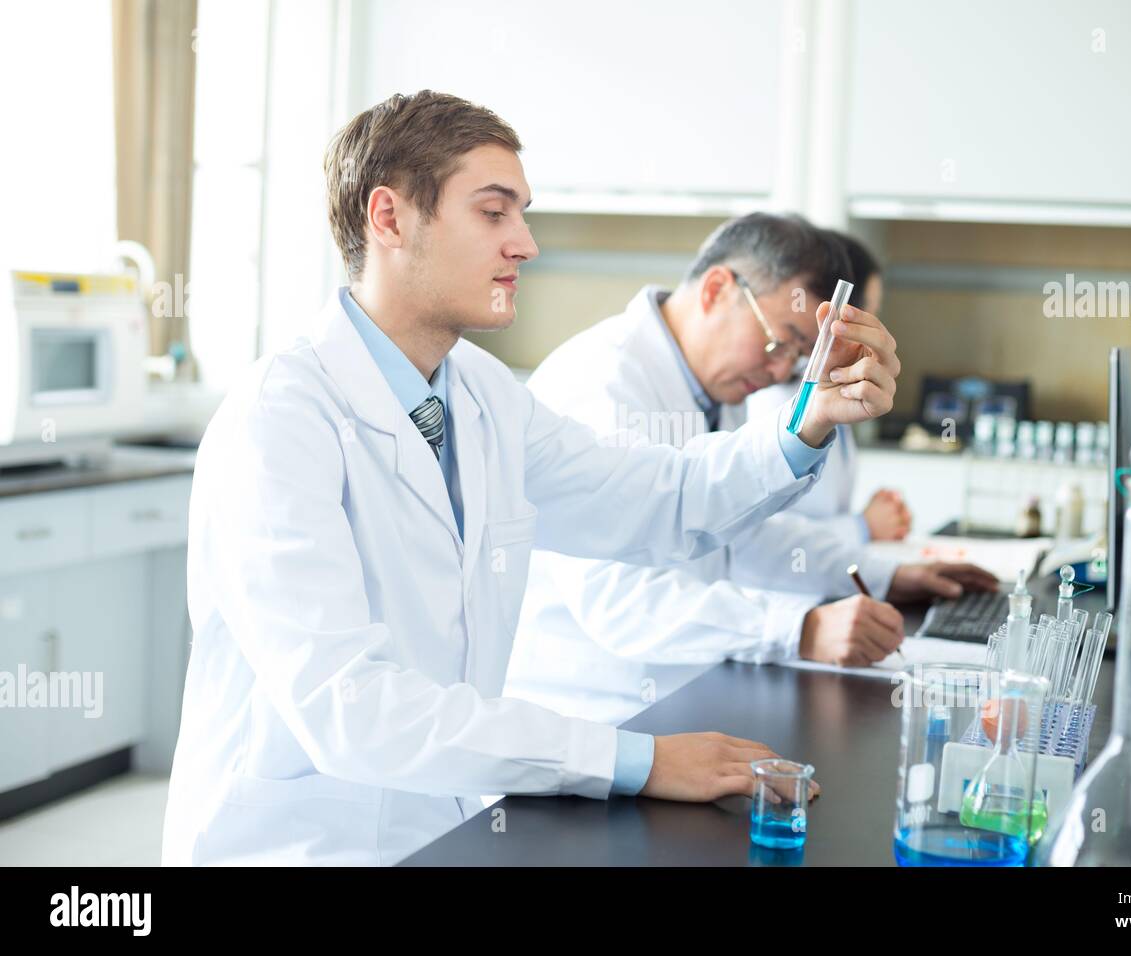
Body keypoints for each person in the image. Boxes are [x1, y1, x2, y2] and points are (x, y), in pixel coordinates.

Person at [160, 93, 900, 865]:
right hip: (299, 843)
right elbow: (353, 708)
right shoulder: (281, 419)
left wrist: (803, 427)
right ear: (389, 218)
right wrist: (637, 761)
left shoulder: (483, 395)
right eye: (494, 212)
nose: (526, 244)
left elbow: (650, 499)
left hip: (442, 822)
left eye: (524, 213)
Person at [504, 214, 997, 726]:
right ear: (718, 288)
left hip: (675, 696)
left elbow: (739, 533)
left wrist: (882, 574)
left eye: (800, 355)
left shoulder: (713, 383)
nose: (781, 371)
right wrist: (799, 629)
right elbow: (623, 601)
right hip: (593, 716)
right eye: (780, 341)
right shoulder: (601, 383)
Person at [746, 230, 910, 541]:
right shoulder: (778, 395)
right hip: (784, 587)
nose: (873, 321)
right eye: (869, 309)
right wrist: (862, 527)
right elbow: (760, 532)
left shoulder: (832, 382)